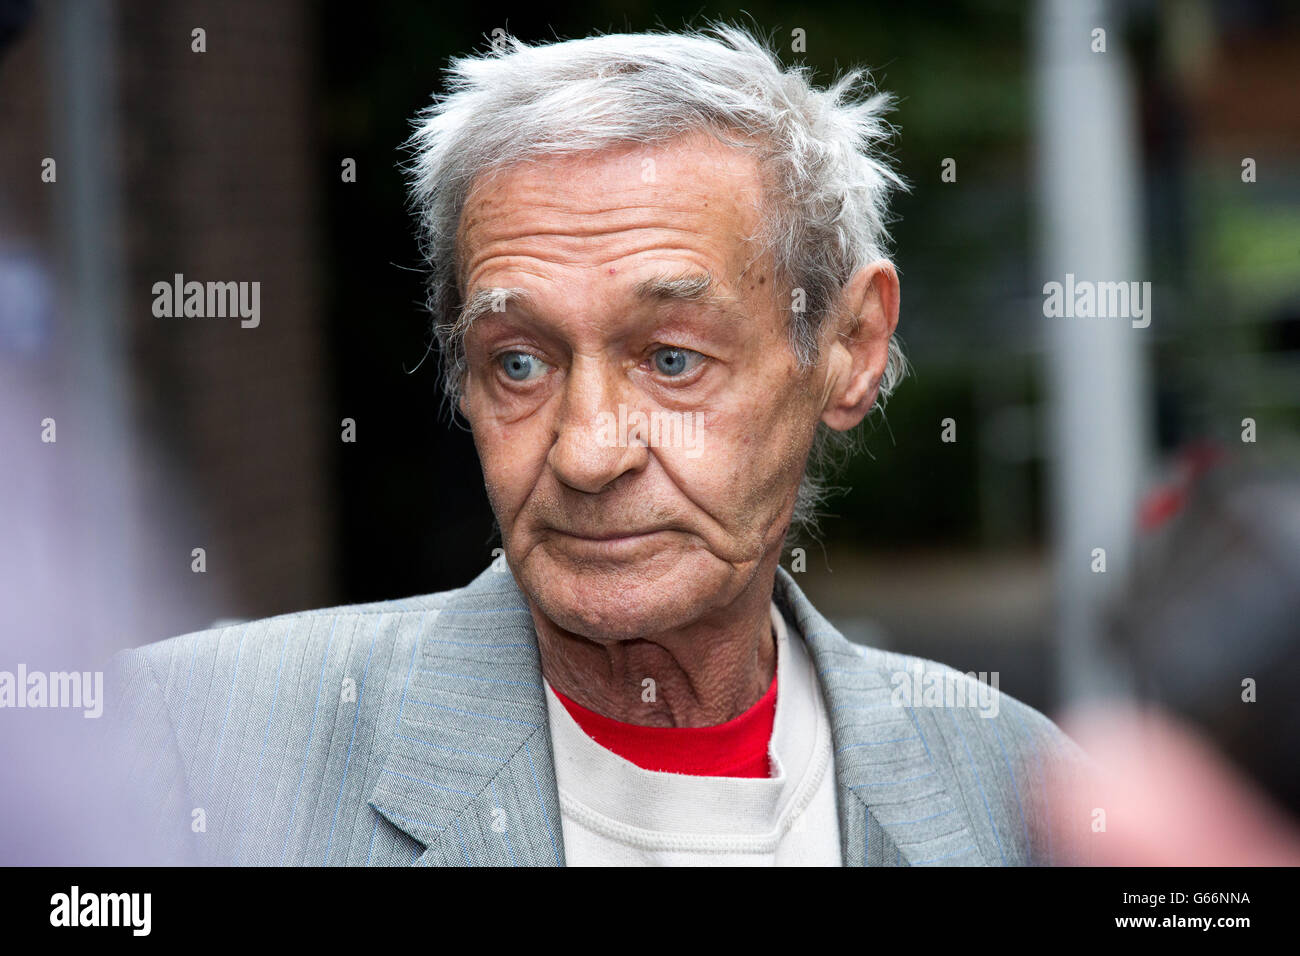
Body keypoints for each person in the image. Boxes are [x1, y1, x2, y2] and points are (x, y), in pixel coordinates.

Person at [106, 25, 1095, 867]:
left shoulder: (1014, 789)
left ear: (848, 346)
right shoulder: (189, 743)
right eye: (521, 362)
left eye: (671, 358)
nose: (586, 452)